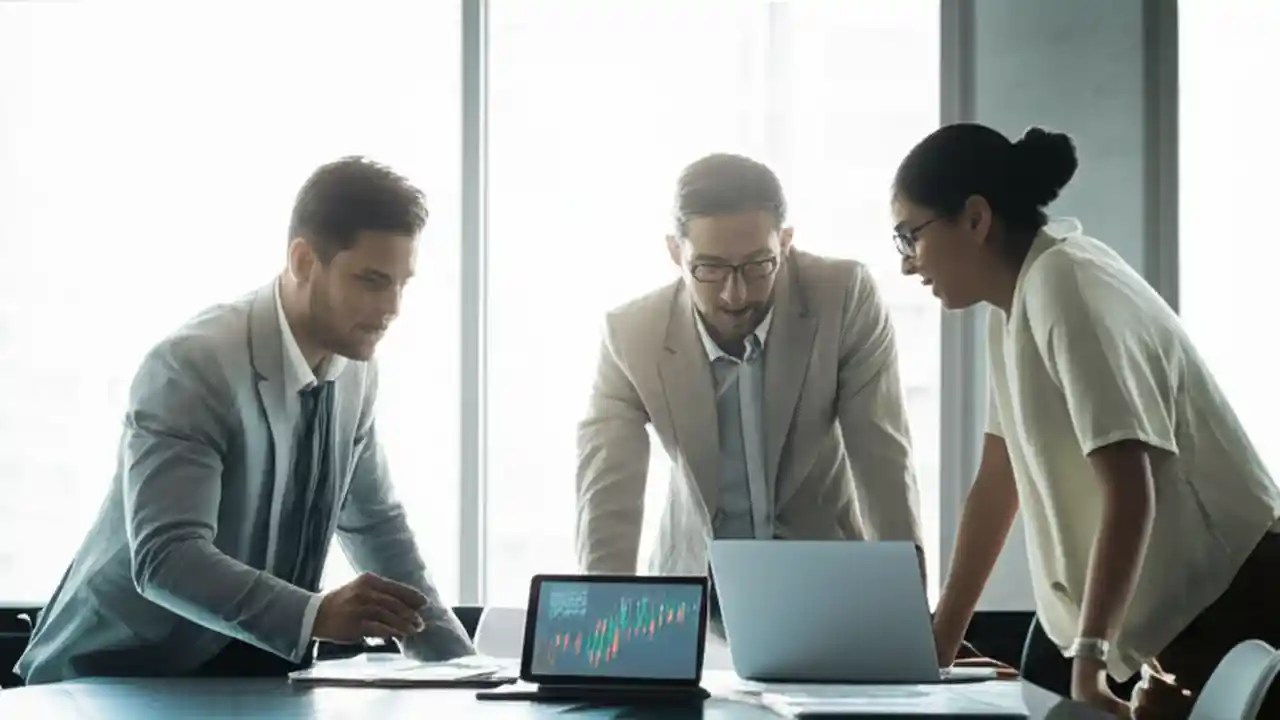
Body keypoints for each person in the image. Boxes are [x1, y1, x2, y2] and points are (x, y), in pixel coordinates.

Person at [16, 157, 474, 684]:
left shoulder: (356, 372)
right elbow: (167, 558)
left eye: (401, 283)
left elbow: (376, 524)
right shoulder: (194, 365)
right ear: (303, 260)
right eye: (372, 281)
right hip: (105, 680)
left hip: (237, 685)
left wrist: (463, 669)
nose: (393, 306)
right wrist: (317, 614)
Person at [893, 123, 1280, 717]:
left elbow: (1129, 485)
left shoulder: (1066, 283)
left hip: (1234, 592)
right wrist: (940, 643)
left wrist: (1090, 664)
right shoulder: (1015, 304)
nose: (907, 265)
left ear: (974, 218)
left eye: (909, 236)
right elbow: (999, 481)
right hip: (1176, 611)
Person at [575, 153, 925, 609]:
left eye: (759, 265)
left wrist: (908, 616)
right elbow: (607, 496)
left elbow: (883, 463)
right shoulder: (632, 334)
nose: (734, 294)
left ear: (786, 242)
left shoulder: (841, 297)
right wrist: (601, 636)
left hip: (825, 588)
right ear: (675, 252)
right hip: (693, 598)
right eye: (710, 268)